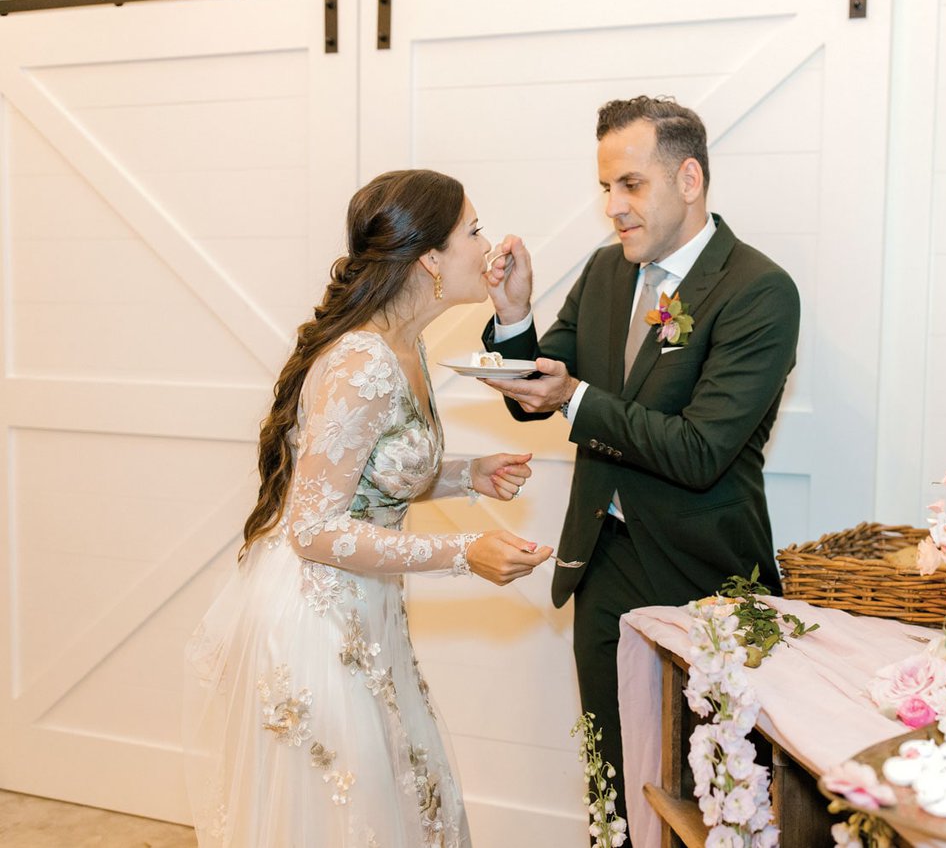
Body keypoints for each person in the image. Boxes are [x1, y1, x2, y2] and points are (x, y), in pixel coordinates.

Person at [183, 169, 552, 848]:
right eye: (473, 229)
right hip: (317, 623)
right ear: (431, 259)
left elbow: (372, 479)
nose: (488, 243)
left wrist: (468, 473)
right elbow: (314, 530)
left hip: (367, 613)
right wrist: (463, 552)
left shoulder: (406, 343)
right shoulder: (363, 361)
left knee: (409, 796)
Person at [479, 95, 801, 829]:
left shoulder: (759, 290)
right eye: (605, 189)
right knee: (613, 782)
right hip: (601, 563)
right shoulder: (603, 273)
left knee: (710, 796)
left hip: (706, 580)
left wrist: (578, 399)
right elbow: (537, 391)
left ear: (689, 180)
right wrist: (515, 319)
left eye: (631, 185)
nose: (613, 208)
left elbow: (701, 450)